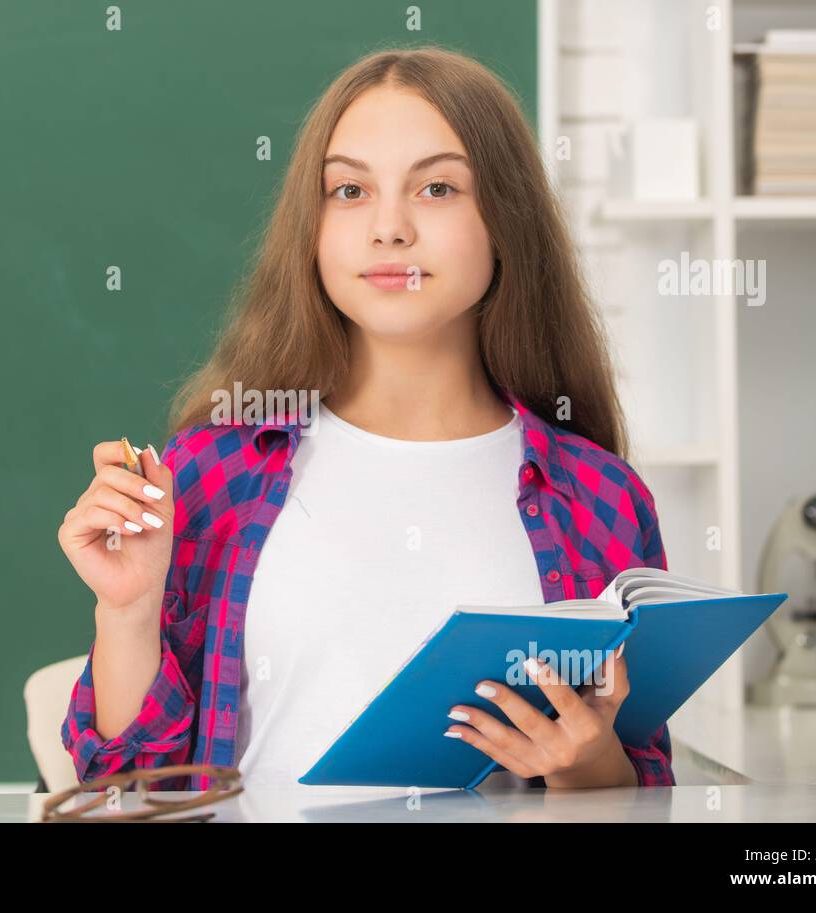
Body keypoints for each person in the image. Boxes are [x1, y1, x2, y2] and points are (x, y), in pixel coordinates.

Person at [53, 46, 674, 793]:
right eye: (349, 190)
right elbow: (124, 787)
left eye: (438, 187)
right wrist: (128, 609)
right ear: (311, 227)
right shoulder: (212, 470)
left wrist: (590, 766)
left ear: (506, 220)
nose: (389, 227)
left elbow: (642, 787)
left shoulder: (600, 495)